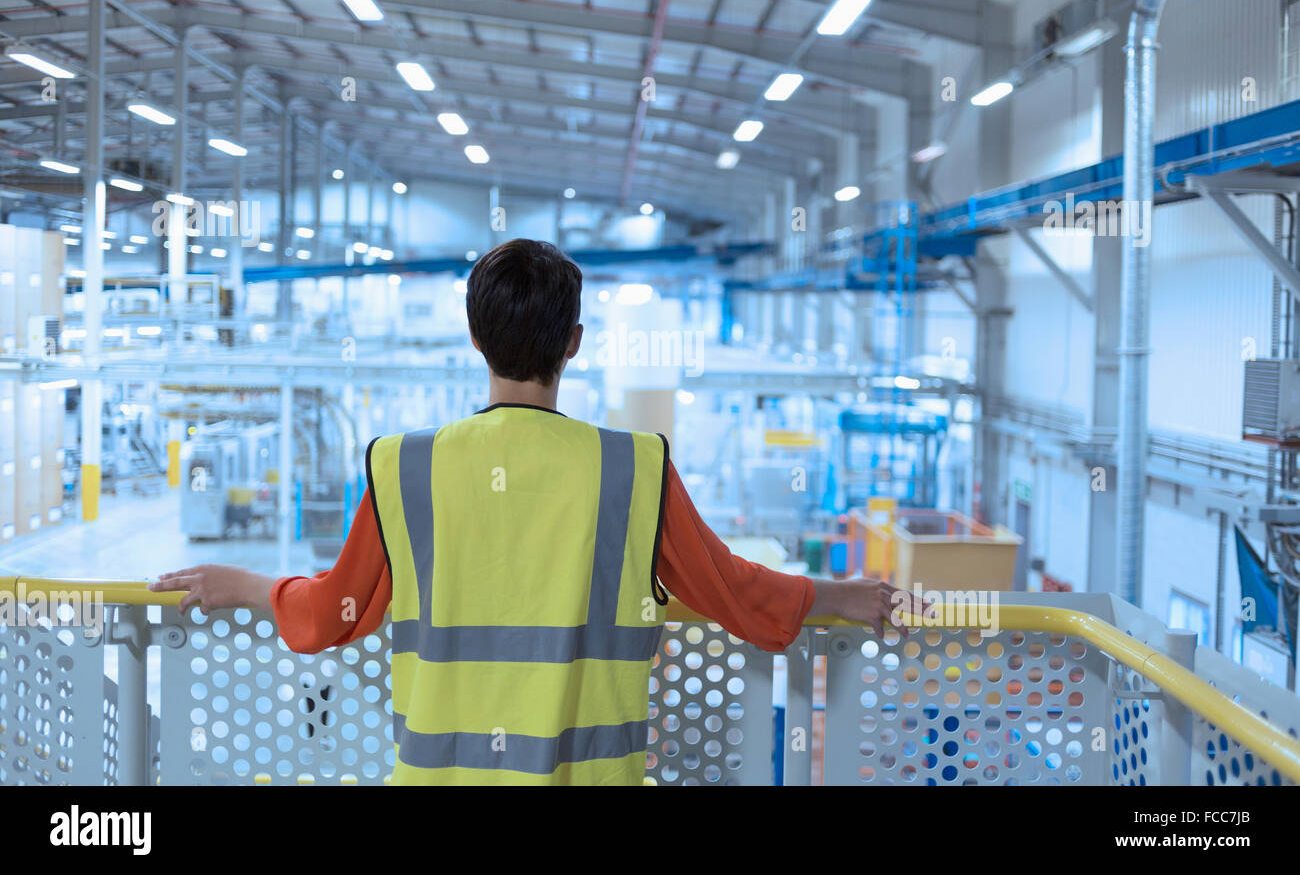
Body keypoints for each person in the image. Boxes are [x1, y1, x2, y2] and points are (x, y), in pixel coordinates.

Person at [151, 238, 922, 784]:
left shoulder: (402, 466)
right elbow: (736, 593)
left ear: (474, 338)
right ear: (575, 343)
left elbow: (331, 615)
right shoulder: (634, 467)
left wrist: (243, 585)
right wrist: (846, 597)